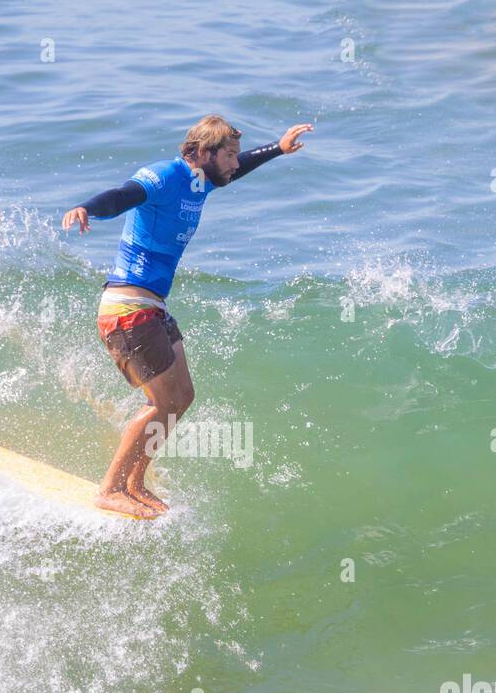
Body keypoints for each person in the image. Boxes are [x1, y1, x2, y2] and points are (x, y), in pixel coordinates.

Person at [62, 115, 312, 518]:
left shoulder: (202, 179)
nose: (235, 163)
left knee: (181, 399)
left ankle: (134, 483)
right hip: (128, 309)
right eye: (228, 155)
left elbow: (236, 170)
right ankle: (110, 488)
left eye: (235, 156)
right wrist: (87, 208)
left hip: (151, 307)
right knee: (162, 402)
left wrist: (277, 149)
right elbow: (124, 195)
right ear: (203, 153)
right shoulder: (163, 177)